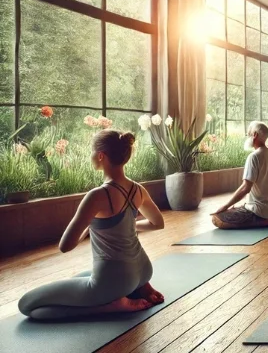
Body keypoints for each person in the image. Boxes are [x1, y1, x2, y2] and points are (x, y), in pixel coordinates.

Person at [18, 130, 165, 320]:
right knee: (75, 279)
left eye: (92, 152)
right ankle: (140, 287)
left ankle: (112, 306)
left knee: (29, 307)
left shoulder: (97, 195)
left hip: (116, 280)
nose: (91, 156)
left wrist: (88, 225)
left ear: (101, 155)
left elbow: (66, 246)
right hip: (143, 270)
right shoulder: (138, 189)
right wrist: (127, 226)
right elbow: (158, 223)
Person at [212, 122, 268, 228]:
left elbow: (245, 189)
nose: (247, 135)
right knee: (239, 207)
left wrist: (225, 206)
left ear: (255, 135)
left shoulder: (254, 156)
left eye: (249, 133)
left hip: (259, 211)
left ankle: (261, 221)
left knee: (217, 219)